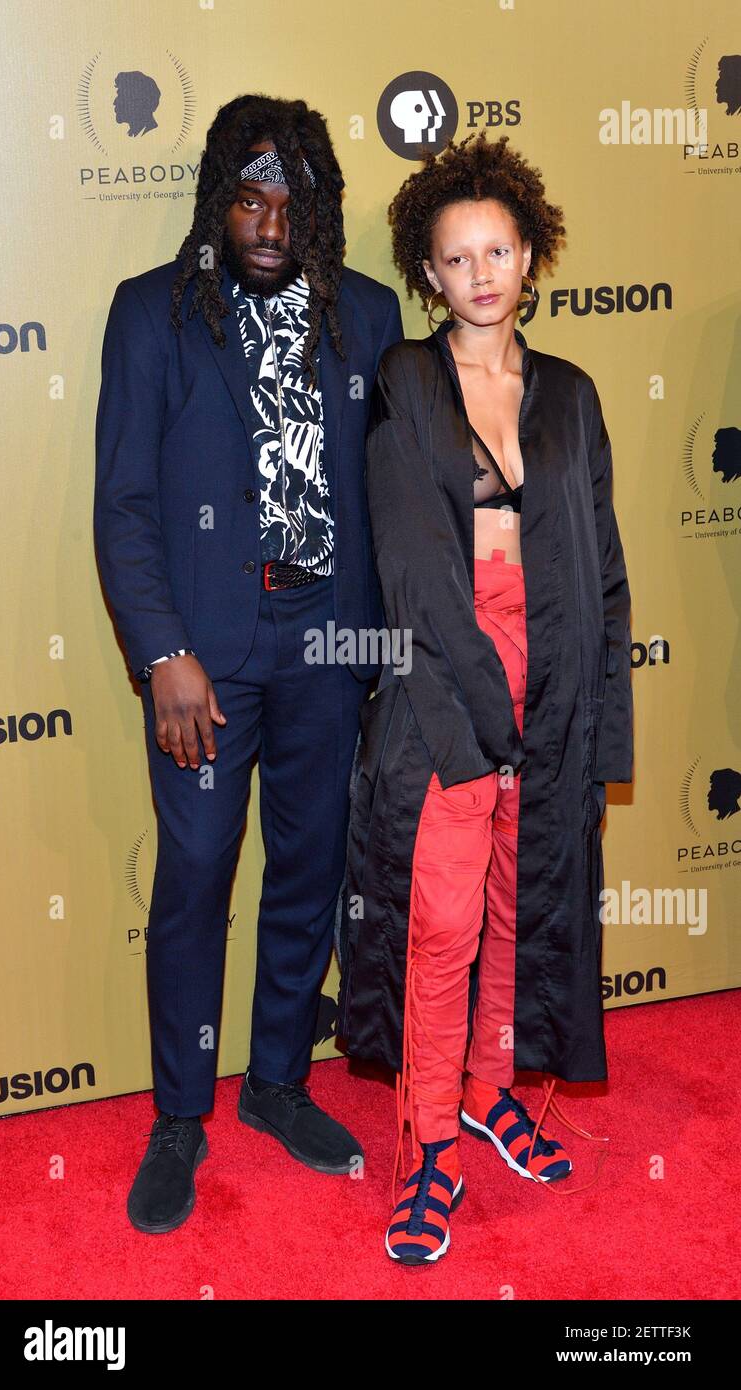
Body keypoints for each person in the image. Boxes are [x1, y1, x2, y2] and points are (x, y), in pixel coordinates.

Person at [94, 94, 403, 1234]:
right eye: (250, 194)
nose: (269, 219)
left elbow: (399, 492)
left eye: (291, 198)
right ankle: (182, 1111)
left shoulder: (364, 316)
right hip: (205, 656)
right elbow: (124, 504)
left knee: (310, 869)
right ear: (218, 199)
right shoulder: (153, 314)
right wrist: (162, 653)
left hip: (332, 639)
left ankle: (277, 1080)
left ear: (315, 209)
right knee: (194, 879)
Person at [336, 130, 633, 1265]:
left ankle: (490, 1088)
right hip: (446, 694)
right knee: (442, 928)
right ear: (427, 274)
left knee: (522, 915)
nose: (478, 274)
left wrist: (592, 722)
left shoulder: (569, 392)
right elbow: (412, 570)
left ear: (528, 256)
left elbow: (601, 568)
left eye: (494, 250)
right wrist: (483, 728)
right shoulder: (406, 382)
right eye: (454, 259)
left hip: (551, 681)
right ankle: (426, 1147)